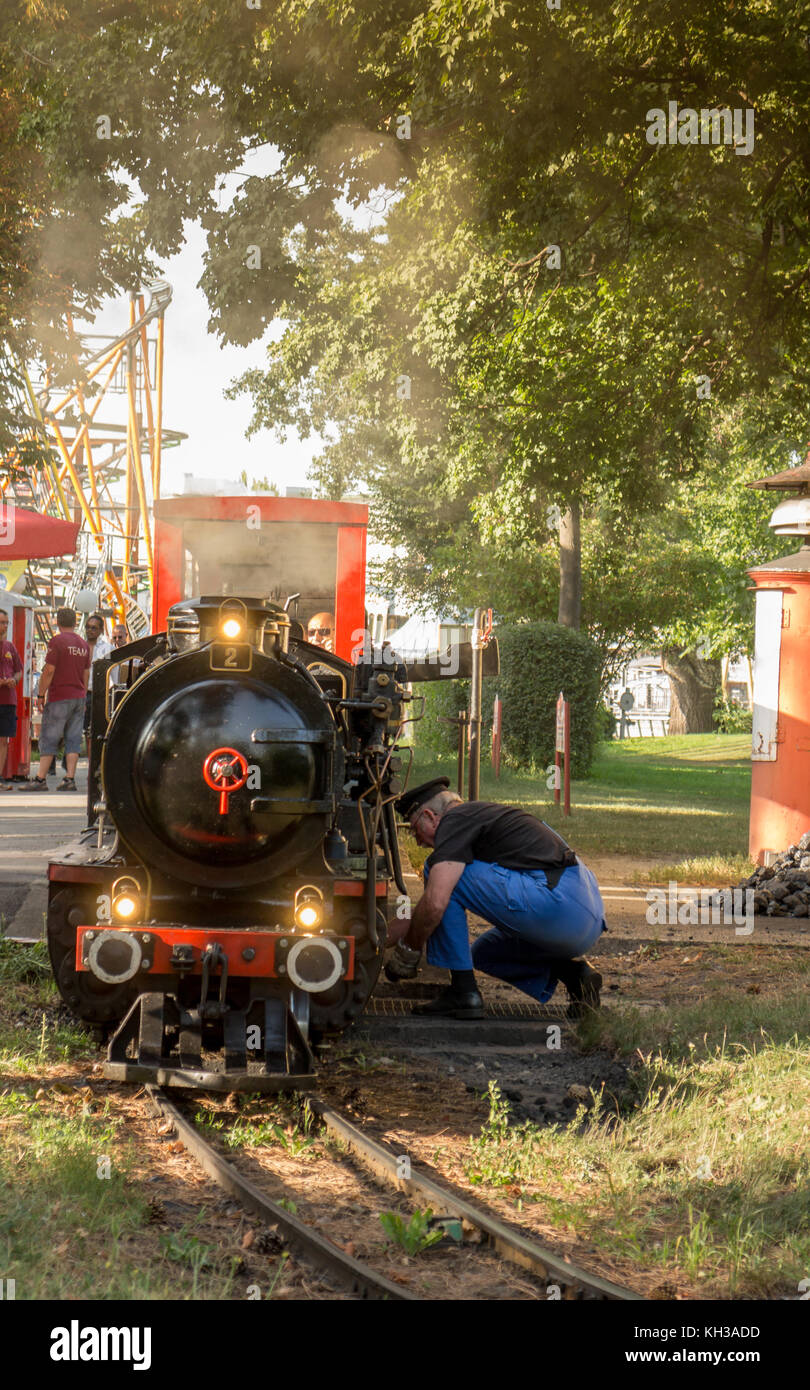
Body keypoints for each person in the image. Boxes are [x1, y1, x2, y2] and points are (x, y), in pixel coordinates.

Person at [386, 778, 606, 1019]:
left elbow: (437, 902)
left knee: (437, 871)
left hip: (559, 903)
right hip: (585, 914)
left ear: (430, 816)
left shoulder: (454, 820)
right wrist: (384, 937)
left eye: (415, 828)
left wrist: (408, 952)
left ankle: (463, 993)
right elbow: (431, 907)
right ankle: (576, 976)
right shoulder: (482, 816)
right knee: (483, 954)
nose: (417, 840)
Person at [27, 607, 90, 792]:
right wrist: (83, 694)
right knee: (73, 739)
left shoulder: (57, 641)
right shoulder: (83, 644)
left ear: (58, 622)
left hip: (60, 696)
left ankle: (40, 780)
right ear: (75, 622)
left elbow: (49, 670)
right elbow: (86, 673)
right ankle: (69, 778)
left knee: (49, 737)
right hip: (78, 697)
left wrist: (40, 694)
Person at [0, 609, 23, 790]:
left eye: (6, 622)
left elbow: (19, 670)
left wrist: (14, 679)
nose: (4, 626)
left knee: (3, 740)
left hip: (8, 700)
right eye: (2, 622)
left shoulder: (9, 647)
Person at [83, 613, 114, 734]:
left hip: (100, 695)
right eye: (88, 627)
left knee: (98, 731)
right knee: (85, 730)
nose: (89, 630)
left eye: (93, 628)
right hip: (82, 694)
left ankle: (94, 753)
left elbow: (114, 675)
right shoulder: (80, 646)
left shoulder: (107, 649)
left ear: (101, 630)